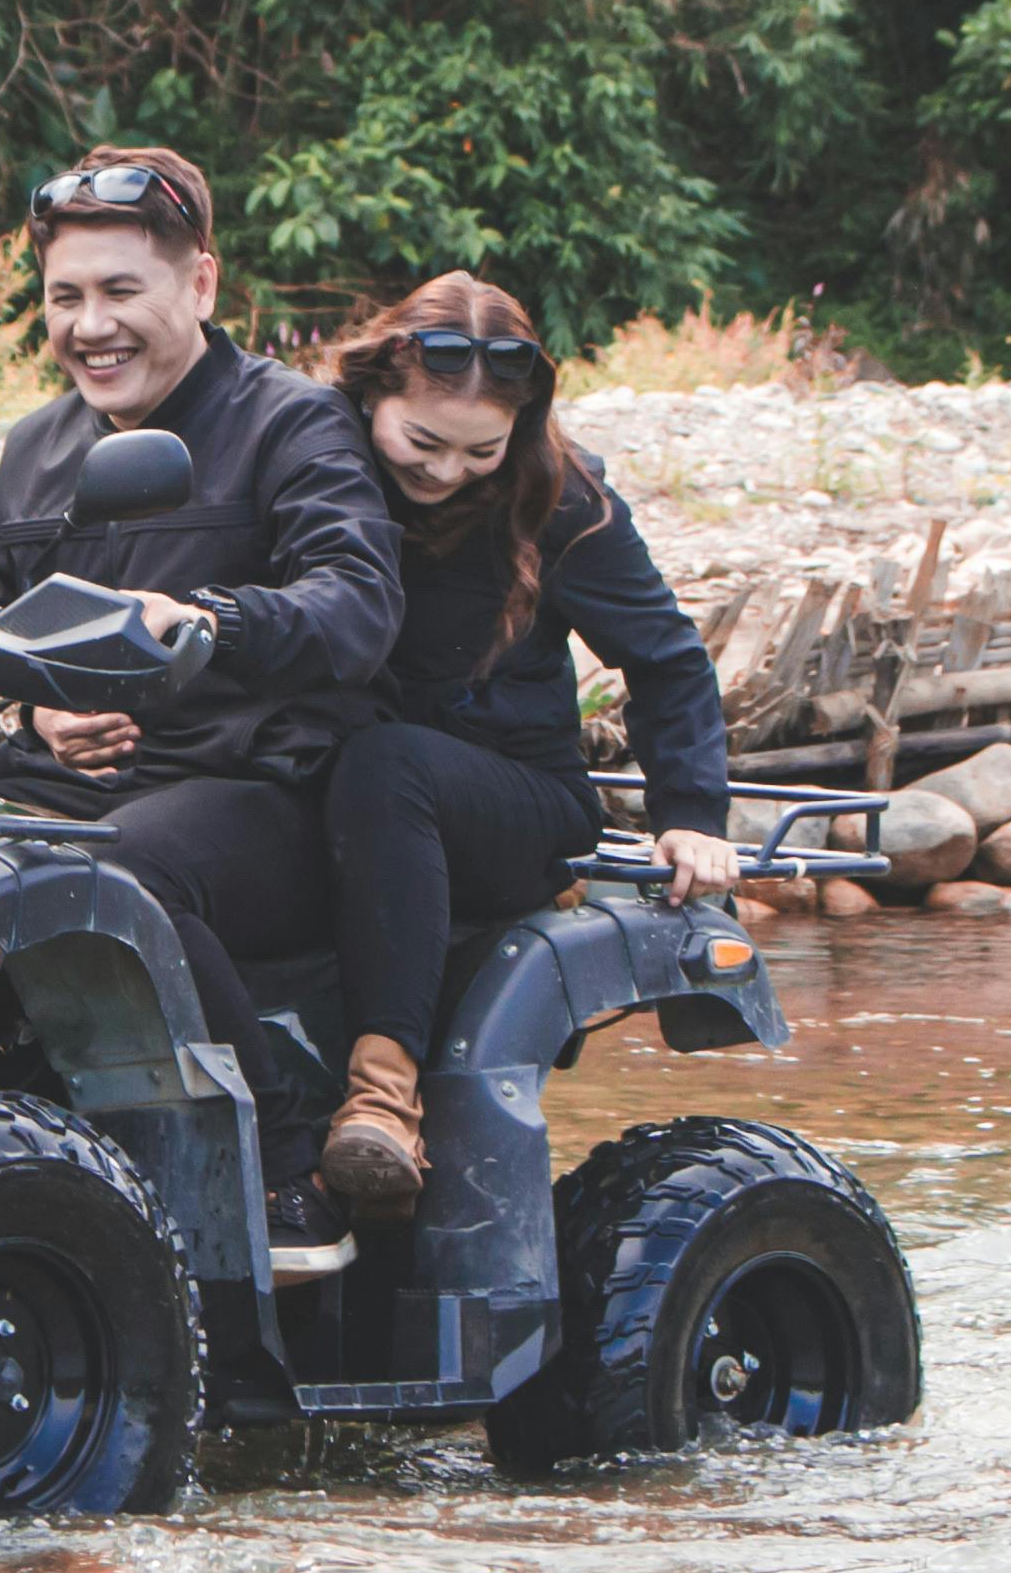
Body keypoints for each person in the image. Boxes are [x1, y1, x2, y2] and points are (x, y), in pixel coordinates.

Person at [0, 147, 400, 1219]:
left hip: (254, 791)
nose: (91, 325)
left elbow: (358, 605)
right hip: (65, 793)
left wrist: (209, 621)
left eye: (123, 290)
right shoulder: (41, 447)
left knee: (117, 875)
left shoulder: (289, 424)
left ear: (199, 283)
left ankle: (284, 1167)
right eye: (66, 297)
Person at [311, 274, 738, 1219]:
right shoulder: (315, 453)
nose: (446, 472)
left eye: (479, 450)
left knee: (391, 764)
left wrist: (692, 815)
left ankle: (385, 1099)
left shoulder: (559, 495)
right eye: (421, 442)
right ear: (374, 391)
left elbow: (667, 658)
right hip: (348, 770)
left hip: (513, 797)